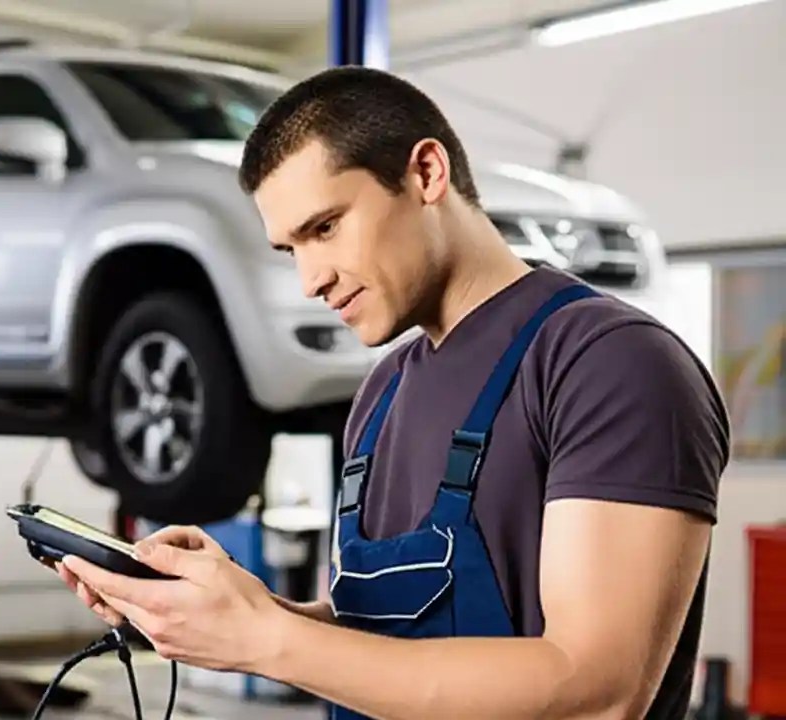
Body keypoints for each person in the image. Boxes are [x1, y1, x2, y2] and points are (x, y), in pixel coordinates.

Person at [55, 65, 729, 720]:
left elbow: (597, 693)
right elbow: (377, 636)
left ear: (426, 174)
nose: (311, 281)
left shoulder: (608, 363)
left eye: (325, 227)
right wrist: (232, 611)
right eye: (291, 249)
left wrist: (267, 638)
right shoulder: (381, 395)